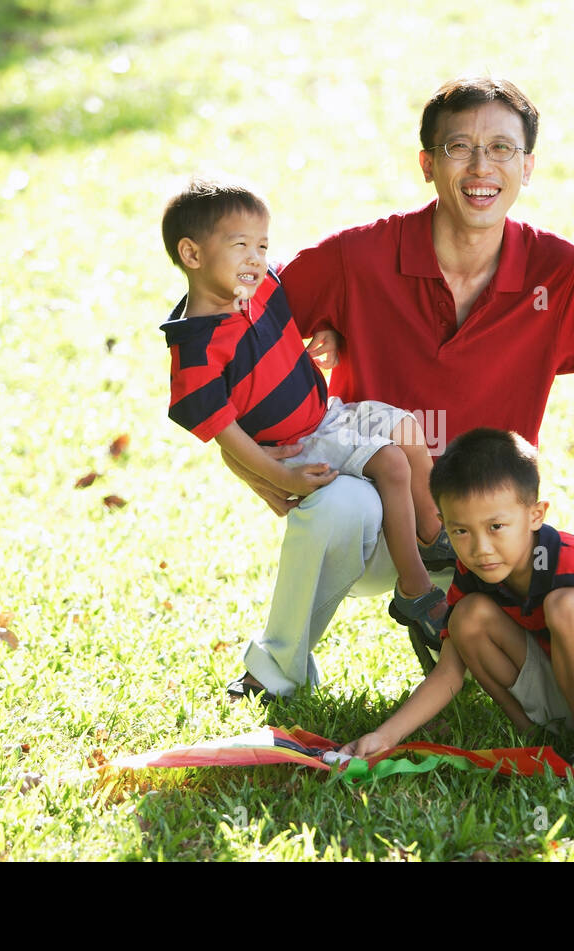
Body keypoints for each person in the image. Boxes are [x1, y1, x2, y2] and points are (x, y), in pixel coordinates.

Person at [219, 78, 574, 700]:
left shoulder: (556, 273)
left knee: (555, 690)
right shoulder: (360, 258)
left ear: (528, 167)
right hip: (377, 519)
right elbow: (229, 321)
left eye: (503, 149)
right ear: (427, 164)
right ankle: (276, 672)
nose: (482, 168)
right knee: (342, 504)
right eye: (460, 147)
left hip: (489, 533)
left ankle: (459, 623)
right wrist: (252, 465)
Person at [158, 180, 450, 686]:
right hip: (301, 442)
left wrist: (328, 335)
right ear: (192, 253)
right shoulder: (196, 348)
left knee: (406, 429)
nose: (257, 257)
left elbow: (307, 315)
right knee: (393, 463)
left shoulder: (263, 286)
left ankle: (431, 534)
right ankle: (415, 587)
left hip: (329, 413)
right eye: (241, 245)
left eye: (263, 244)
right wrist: (277, 474)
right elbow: (223, 430)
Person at [340, 428, 574, 775]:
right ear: (443, 524)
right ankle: (537, 739)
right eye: (461, 531)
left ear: (535, 515)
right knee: (467, 617)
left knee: (566, 605)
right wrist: (385, 736)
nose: (481, 548)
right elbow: (449, 672)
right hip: (569, 703)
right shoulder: (474, 570)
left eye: (496, 527)